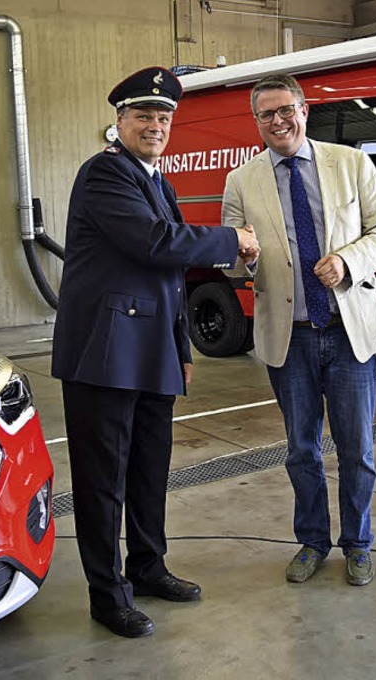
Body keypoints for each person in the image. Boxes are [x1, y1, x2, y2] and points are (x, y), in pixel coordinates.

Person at [52, 66, 260, 638]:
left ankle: (146, 568)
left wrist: (180, 347)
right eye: (143, 115)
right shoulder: (104, 175)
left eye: (164, 117)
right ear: (118, 122)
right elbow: (155, 243)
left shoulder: (157, 180)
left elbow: (167, 279)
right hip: (104, 354)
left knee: (148, 469)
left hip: (150, 352)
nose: (155, 125)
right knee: (103, 479)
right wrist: (231, 239)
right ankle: (107, 594)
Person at [221, 73, 376, 587]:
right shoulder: (242, 180)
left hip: (347, 330)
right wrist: (244, 257)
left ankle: (358, 544)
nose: (278, 121)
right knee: (301, 448)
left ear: (304, 109)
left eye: (286, 110)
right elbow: (234, 258)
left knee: (357, 449)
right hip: (288, 332)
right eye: (266, 114)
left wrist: (347, 261)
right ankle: (313, 541)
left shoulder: (350, 163)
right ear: (256, 123)